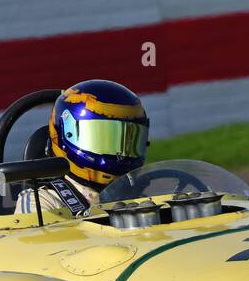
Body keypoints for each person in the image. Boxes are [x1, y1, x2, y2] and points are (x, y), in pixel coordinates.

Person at [15, 80, 149, 217]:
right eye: (102, 138)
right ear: (68, 133)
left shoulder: (138, 197)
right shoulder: (41, 201)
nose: (119, 154)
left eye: (127, 141)